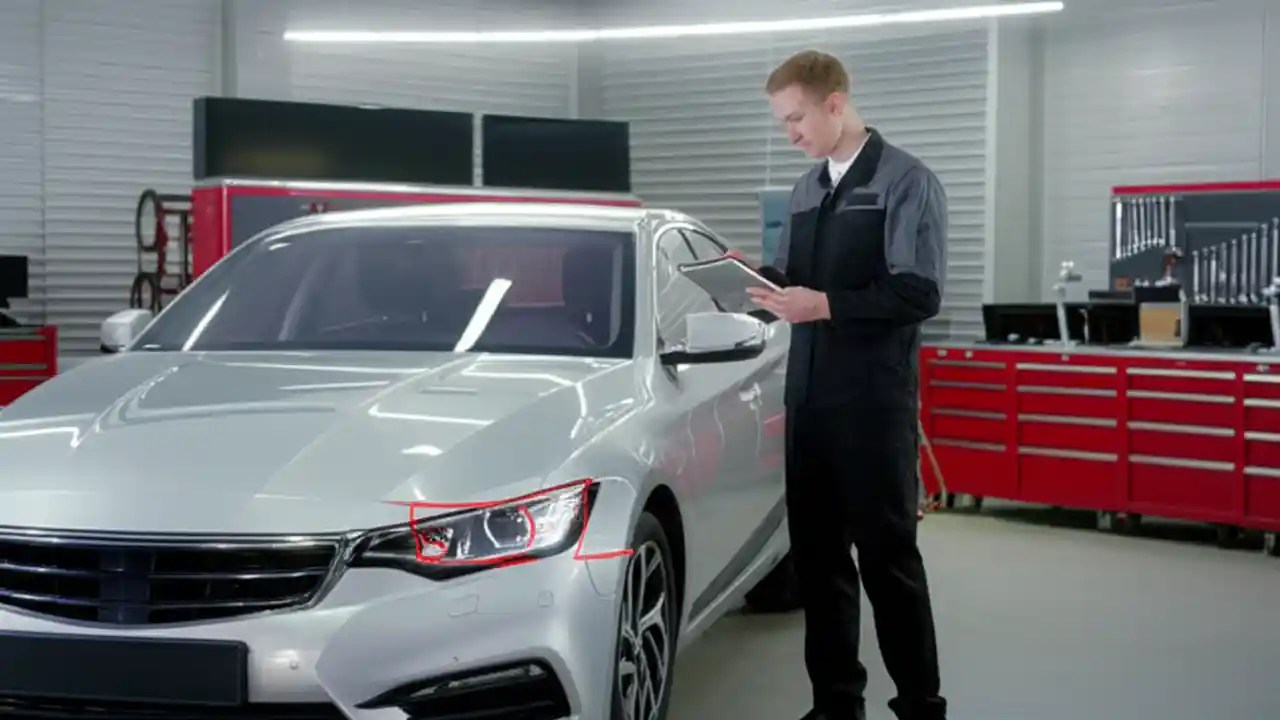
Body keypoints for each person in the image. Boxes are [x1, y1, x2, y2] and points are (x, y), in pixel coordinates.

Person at [745, 49, 949, 720]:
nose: (791, 134)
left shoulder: (905, 181)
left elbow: (917, 291)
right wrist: (751, 287)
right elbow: (791, 283)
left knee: (888, 565)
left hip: (873, 408)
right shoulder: (807, 191)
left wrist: (824, 304)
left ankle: (920, 706)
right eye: (782, 122)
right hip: (807, 405)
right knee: (820, 564)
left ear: (835, 104)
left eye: (796, 118)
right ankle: (836, 706)